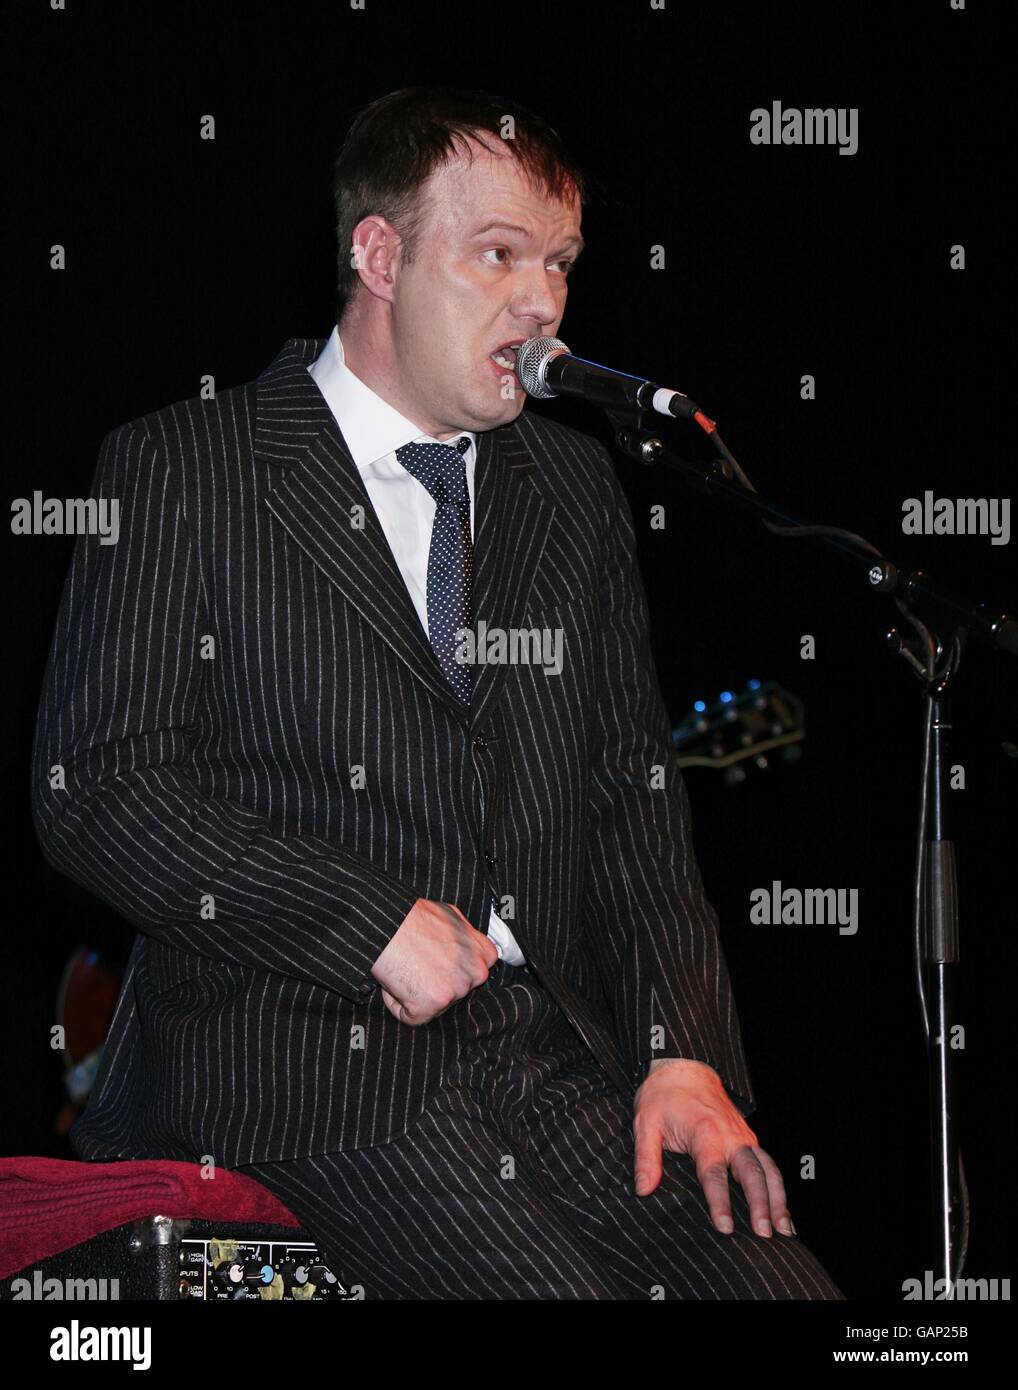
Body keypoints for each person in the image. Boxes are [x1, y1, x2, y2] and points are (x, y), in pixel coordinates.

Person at [31, 87, 843, 1300]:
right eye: (499, 255)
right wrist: (362, 922)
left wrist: (683, 1058)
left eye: (560, 264)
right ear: (379, 254)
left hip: (543, 1062)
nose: (543, 303)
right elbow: (99, 789)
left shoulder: (570, 493)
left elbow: (629, 801)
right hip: (295, 1058)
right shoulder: (186, 465)